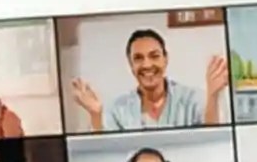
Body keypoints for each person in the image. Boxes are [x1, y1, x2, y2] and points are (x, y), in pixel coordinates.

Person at [69, 29, 229, 130]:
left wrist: (213, 96)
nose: (147, 65)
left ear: (166, 59)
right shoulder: (118, 109)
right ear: (131, 66)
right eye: (138, 58)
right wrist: (96, 115)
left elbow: (212, 141)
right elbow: (105, 153)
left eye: (154, 56)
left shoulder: (193, 99)